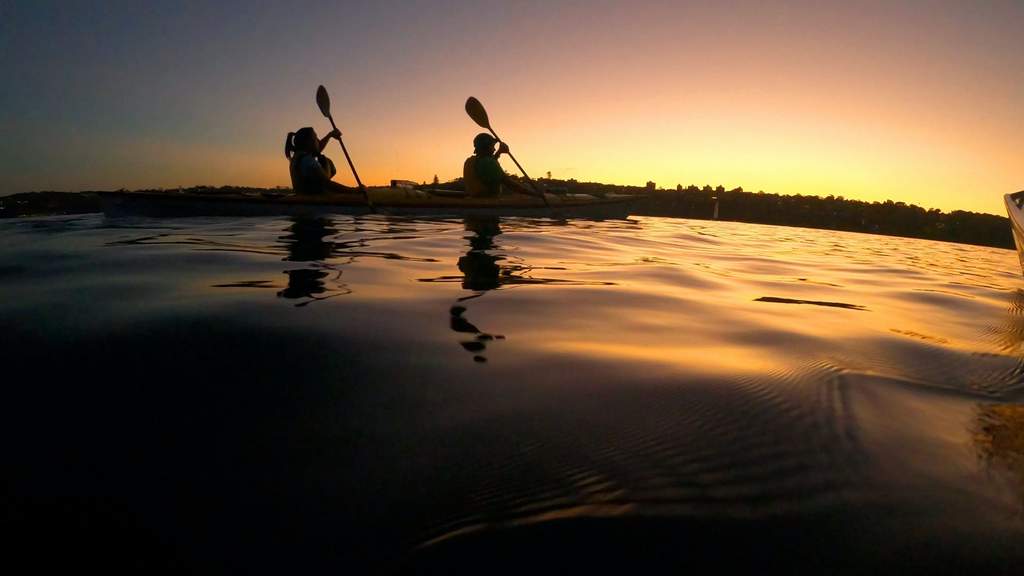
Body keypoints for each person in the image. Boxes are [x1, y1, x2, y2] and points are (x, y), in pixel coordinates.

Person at [284, 127, 362, 195]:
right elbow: (327, 184)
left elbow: (317, 149)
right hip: (312, 199)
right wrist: (353, 191)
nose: (318, 140)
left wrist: (330, 135)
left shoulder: (298, 157)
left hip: (304, 196)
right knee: (326, 162)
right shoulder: (307, 161)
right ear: (309, 142)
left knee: (325, 161)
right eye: (315, 138)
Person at [463, 133, 540, 198]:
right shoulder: (488, 163)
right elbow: (509, 183)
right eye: (492, 146)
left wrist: (499, 152)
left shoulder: (472, 160)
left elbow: (488, 166)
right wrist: (534, 194)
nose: (494, 149)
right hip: (488, 201)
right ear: (486, 147)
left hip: (475, 198)